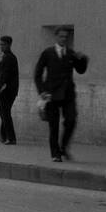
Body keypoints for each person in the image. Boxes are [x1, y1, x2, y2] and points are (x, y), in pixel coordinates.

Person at [33, 27, 89, 162]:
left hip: (68, 94)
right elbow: (38, 74)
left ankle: (63, 147)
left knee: (71, 120)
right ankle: (55, 153)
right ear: (56, 37)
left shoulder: (71, 53)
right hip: (51, 94)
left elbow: (80, 70)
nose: (64, 39)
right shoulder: (48, 53)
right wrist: (42, 92)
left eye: (66, 37)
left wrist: (83, 59)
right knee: (54, 125)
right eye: (61, 36)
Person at [0, 35, 19, 145]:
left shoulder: (9, 58)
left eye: (3, 45)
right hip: (9, 90)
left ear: (9, 45)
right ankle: (4, 136)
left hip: (6, 90)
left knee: (5, 114)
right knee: (5, 113)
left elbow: (4, 76)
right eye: (0, 44)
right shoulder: (8, 57)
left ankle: (10, 138)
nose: (1, 46)